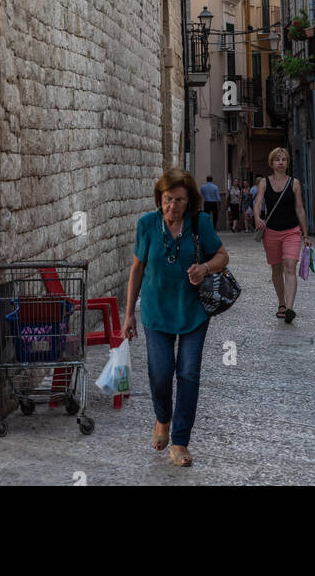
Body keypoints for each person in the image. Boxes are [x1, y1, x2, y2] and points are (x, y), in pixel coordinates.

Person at [123, 168, 229, 466]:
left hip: (193, 310)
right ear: (160, 198)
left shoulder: (200, 223)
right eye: (168, 199)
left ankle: (180, 442)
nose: (172, 206)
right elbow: (137, 270)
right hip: (156, 310)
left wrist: (205, 268)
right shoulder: (147, 224)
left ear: (189, 200)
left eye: (179, 200)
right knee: (160, 372)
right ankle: (162, 418)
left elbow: (222, 255)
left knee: (188, 373)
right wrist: (129, 314)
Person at [253, 147, 310, 324]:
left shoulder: (295, 183)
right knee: (276, 268)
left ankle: (290, 308)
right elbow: (258, 203)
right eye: (277, 159)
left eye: (283, 159)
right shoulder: (264, 182)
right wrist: (257, 218)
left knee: (290, 266)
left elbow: (299, 209)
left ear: (287, 163)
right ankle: (282, 304)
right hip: (270, 232)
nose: (280, 162)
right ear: (272, 162)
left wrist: (305, 234)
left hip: (292, 231)